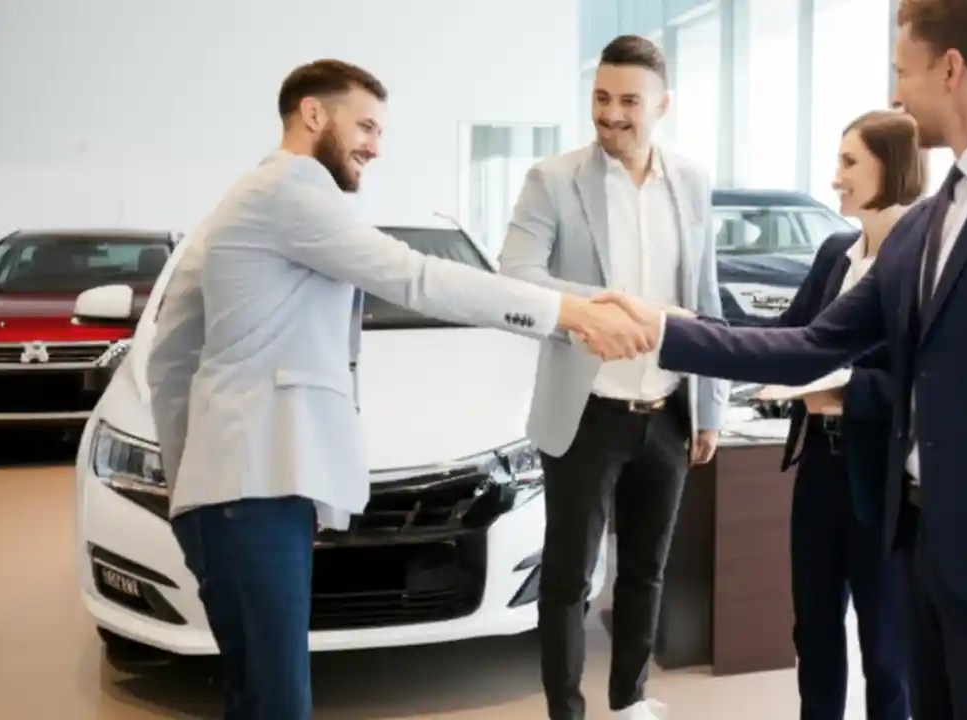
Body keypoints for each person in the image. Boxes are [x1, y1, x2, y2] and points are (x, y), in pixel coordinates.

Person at [604, 2, 967, 718]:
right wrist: (665, 329)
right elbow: (811, 345)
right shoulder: (928, 218)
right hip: (918, 549)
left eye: (902, 72)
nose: (894, 95)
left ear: (951, 68)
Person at [145, 59, 651, 719]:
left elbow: (172, 353)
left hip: (239, 490)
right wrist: (570, 314)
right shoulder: (291, 192)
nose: (376, 146)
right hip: (253, 487)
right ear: (313, 115)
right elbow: (417, 278)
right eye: (367, 126)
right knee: (277, 702)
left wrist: (191, 490)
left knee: (257, 694)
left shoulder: (248, 196)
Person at [498, 34, 727, 720]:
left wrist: (708, 407)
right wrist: (597, 310)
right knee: (568, 579)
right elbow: (516, 275)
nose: (612, 114)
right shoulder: (553, 179)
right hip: (586, 410)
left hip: (666, 412)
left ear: (663, 105)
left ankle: (629, 700)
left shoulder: (690, 180)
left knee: (645, 573)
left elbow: (705, 295)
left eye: (629, 100)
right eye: (601, 97)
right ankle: (565, 712)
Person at [768, 109, 920, 720]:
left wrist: (848, 392)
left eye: (850, 161)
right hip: (820, 472)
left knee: (885, 650)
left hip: (883, 482)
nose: (836, 177)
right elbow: (790, 337)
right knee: (815, 634)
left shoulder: (922, 259)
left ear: (893, 166)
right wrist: (699, 328)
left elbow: (925, 379)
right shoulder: (836, 252)